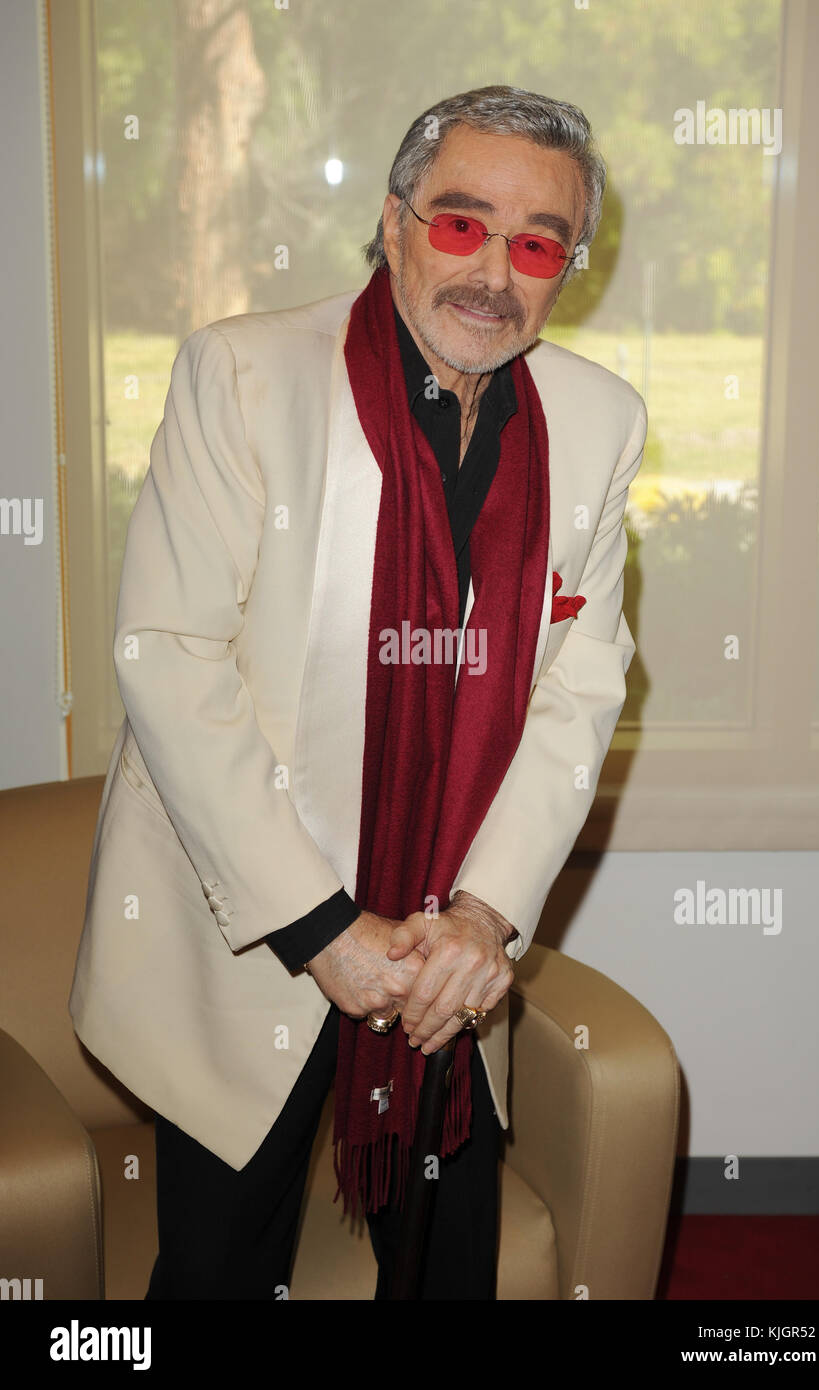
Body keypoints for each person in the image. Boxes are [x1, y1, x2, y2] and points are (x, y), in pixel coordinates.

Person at [69, 83, 647, 1301]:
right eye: (460, 224)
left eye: (536, 244)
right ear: (391, 224)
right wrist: (324, 930)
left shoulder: (596, 423)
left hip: (447, 961)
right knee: (219, 1271)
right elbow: (170, 655)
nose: (494, 272)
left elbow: (577, 689)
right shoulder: (243, 374)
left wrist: (482, 921)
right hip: (260, 934)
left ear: (566, 270)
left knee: (447, 1268)